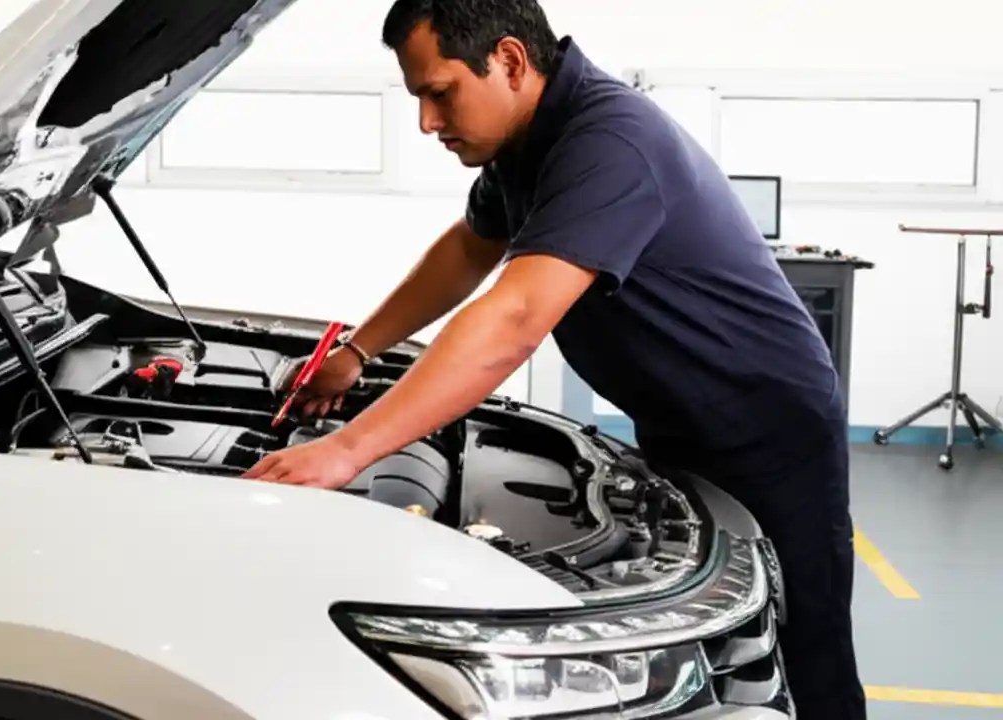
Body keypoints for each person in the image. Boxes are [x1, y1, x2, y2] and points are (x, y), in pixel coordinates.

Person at [241, 0, 865, 716]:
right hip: (680, 419)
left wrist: (348, 451)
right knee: (718, 663)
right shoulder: (527, 142)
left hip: (769, 428)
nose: (427, 124)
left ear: (508, 60)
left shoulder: (609, 142)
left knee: (803, 643)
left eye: (439, 93)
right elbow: (469, 248)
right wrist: (358, 350)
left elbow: (514, 318)